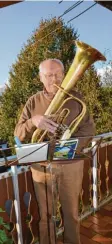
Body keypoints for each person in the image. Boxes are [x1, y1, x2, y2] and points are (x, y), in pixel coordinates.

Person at [14, 59, 95, 244]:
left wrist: (70, 144)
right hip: (41, 167)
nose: (55, 79)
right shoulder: (33, 101)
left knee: (72, 214)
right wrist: (32, 121)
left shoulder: (76, 99)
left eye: (59, 74)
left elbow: (89, 130)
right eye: (49, 75)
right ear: (41, 78)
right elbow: (18, 133)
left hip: (71, 165)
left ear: (65, 74)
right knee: (46, 215)